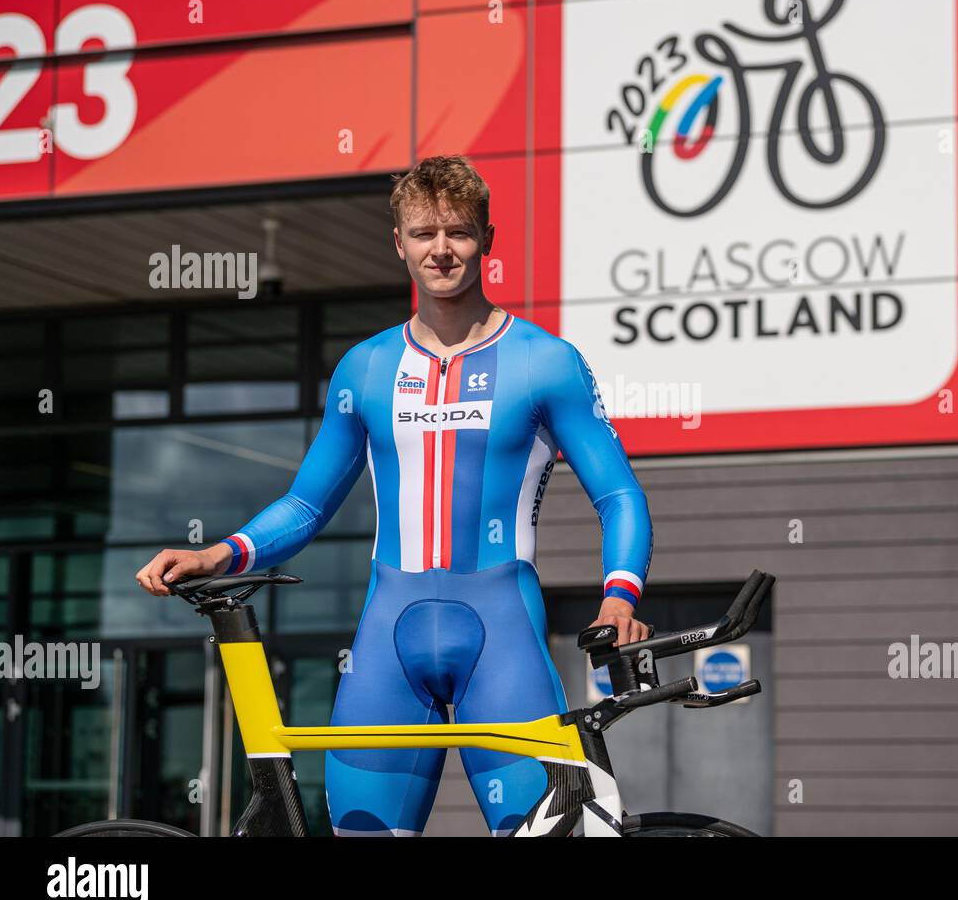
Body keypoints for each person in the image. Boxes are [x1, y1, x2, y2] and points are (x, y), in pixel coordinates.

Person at [135, 155, 653, 836]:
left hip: (503, 636)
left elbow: (618, 494)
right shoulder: (368, 367)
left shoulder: (544, 361)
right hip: (388, 638)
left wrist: (620, 597)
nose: (442, 249)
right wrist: (219, 555)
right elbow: (307, 505)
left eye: (460, 232)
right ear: (399, 244)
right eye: (424, 232)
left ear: (488, 240)